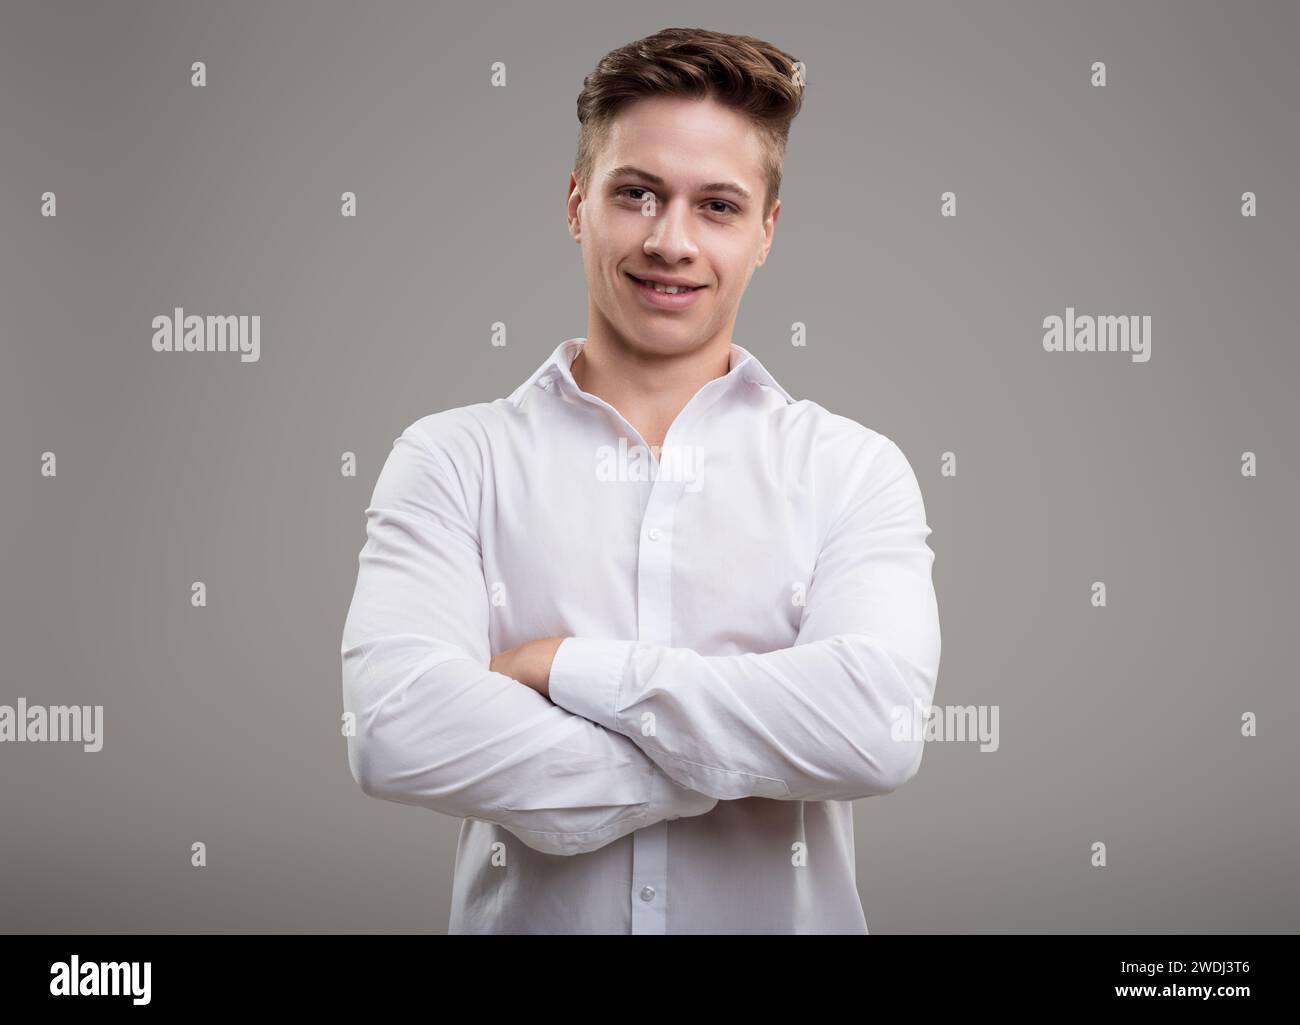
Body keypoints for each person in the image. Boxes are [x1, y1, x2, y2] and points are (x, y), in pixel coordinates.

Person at [341, 26, 941, 934]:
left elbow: (873, 728)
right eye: (638, 193)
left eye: (718, 206)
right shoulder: (451, 460)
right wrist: (722, 758)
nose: (671, 240)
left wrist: (563, 668)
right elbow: (395, 730)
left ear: (766, 232)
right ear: (577, 202)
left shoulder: (851, 470)